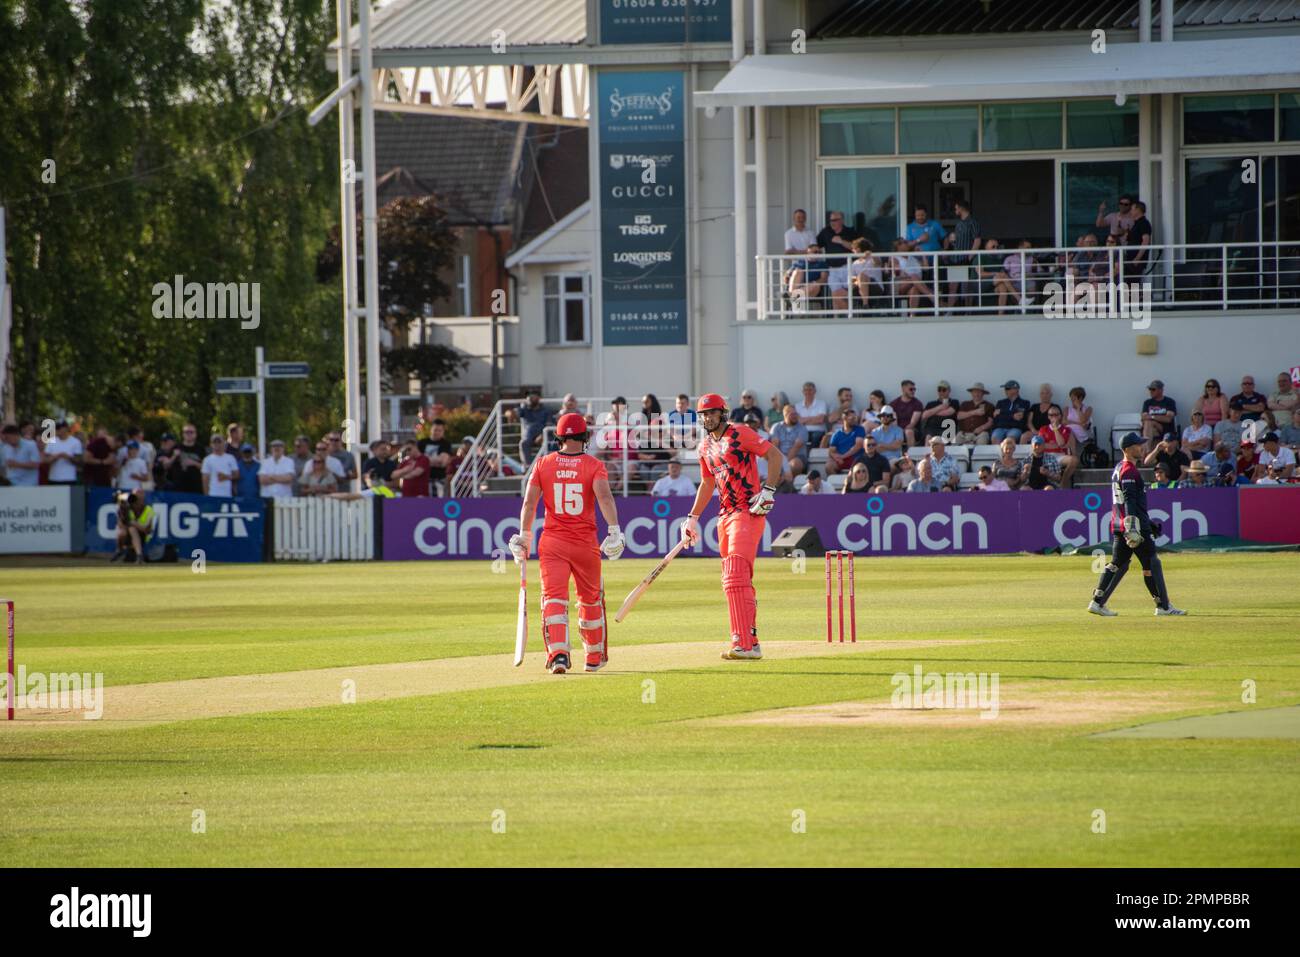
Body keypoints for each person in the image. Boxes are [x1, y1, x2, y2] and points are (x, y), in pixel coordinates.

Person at [509, 412, 624, 675]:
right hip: (585, 544)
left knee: (554, 600)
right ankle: (593, 657)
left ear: (559, 436)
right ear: (585, 436)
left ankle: (558, 655)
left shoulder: (542, 464)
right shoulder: (594, 465)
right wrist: (615, 530)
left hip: (553, 544)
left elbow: (529, 504)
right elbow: (605, 498)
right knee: (591, 601)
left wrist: (524, 536)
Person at [679, 394, 785, 661]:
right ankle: (750, 642)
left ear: (723, 413)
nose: (707, 418)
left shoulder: (740, 433)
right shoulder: (704, 447)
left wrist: (769, 491)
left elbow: (774, 455)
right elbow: (706, 483)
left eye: (712, 413)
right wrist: (692, 518)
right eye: (703, 414)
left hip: (747, 511)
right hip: (723, 516)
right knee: (735, 581)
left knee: (735, 574)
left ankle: (744, 645)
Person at [1088, 432, 1185, 617]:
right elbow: (1130, 501)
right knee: (1151, 563)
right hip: (1133, 527)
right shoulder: (1129, 471)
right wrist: (1133, 526)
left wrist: (1146, 522)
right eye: (1138, 445)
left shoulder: (1119, 468)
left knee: (1117, 564)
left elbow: (1128, 501)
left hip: (1120, 525)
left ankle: (1097, 602)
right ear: (1127, 449)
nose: (1141, 447)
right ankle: (1163, 606)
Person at [110, 489, 157, 565]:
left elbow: (147, 530)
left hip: (142, 537)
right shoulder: (125, 508)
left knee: (132, 528)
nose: (138, 497)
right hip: (128, 536)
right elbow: (120, 525)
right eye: (136, 494)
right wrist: (122, 510)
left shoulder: (149, 510)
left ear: (144, 497)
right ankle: (120, 550)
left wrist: (132, 523)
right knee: (123, 532)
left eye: (140, 494)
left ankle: (139, 556)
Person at [823, 408, 865, 475]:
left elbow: (858, 446)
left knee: (858, 466)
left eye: (855, 417)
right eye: (852, 418)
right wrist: (836, 457)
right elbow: (831, 451)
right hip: (841, 460)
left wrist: (843, 456)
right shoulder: (837, 434)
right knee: (829, 466)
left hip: (855, 458)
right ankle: (835, 483)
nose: (854, 419)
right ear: (844, 418)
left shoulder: (860, 429)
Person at [1140, 380, 1178, 451]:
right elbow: (1144, 417)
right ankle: (1149, 452)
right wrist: (1159, 418)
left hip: (1165, 429)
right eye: (1149, 389)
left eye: (1153, 389)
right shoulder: (1147, 402)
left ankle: (1147, 454)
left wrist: (1152, 417)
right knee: (1149, 425)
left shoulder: (1169, 402)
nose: (1150, 391)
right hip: (1152, 430)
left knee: (1149, 423)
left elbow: (1168, 419)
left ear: (1161, 390)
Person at [517, 392, 553, 465]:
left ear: (538, 398)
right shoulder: (524, 410)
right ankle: (528, 467)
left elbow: (549, 425)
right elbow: (511, 413)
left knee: (548, 442)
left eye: (533, 396)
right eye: (529, 396)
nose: (530, 397)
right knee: (523, 443)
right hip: (528, 436)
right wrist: (510, 414)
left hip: (543, 435)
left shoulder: (546, 410)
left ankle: (542, 465)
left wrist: (542, 436)